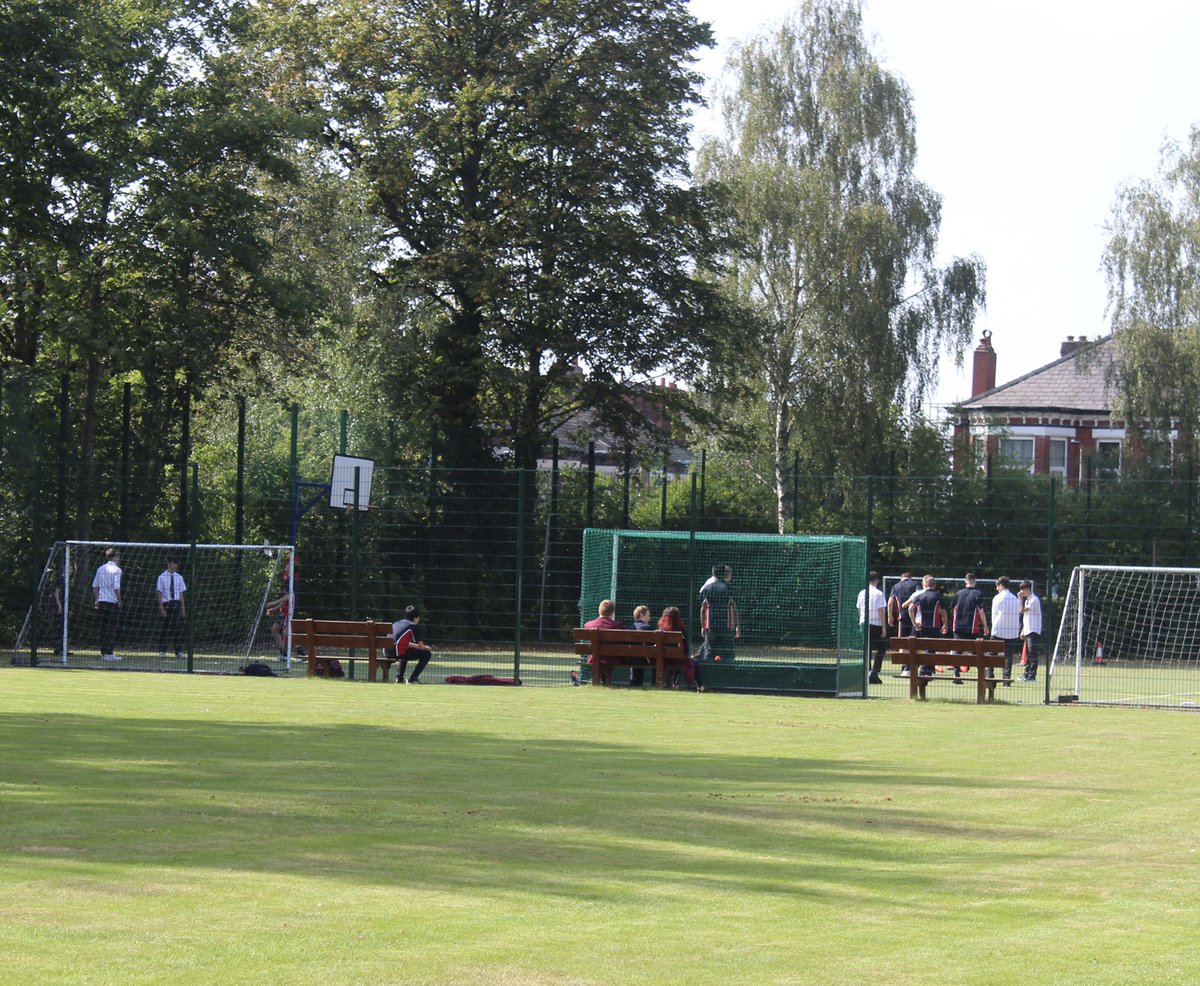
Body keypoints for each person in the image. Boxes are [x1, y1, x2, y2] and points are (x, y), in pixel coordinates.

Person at [950, 572, 990, 685]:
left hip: (958, 627)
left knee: (958, 651)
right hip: (972, 628)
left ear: (965, 582)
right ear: (975, 582)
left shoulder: (959, 593)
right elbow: (981, 612)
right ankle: (982, 673)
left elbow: (954, 610)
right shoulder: (978, 594)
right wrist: (985, 626)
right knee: (977, 651)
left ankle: (956, 674)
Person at [906, 575, 947, 678]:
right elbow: (943, 612)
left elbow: (910, 608)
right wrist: (945, 624)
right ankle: (927, 670)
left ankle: (909, 669)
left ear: (924, 584)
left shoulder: (919, 596)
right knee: (931, 648)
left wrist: (914, 623)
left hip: (920, 626)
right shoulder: (938, 596)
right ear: (935, 585)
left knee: (915, 647)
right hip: (933, 626)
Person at [697, 564, 739, 662]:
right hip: (726, 625)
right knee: (728, 653)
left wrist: (703, 626)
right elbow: (734, 608)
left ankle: (708, 673)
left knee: (709, 652)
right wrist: (737, 626)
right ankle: (728, 673)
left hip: (711, 625)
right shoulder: (728, 588)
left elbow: (703, 608)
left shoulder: (706, 588)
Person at [659, 606, 703, 692]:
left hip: (663, 659)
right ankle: (700, 687)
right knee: (695, 663)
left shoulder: (660, 630)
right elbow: (686, 650)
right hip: (678, 659)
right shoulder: (682, 629)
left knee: (679, 661)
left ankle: (674, 684)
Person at [583, 599, 625, 685]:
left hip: (593, 658)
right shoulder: (617, 625)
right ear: (612, 612)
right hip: (612, 659)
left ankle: (598, 680)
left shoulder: (588, 625)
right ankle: (606, 681)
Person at [990, 575, 1023, 685]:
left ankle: (990, 674)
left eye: (997, 586)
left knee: (992, 654)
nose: (996, 588)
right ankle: (1006, 678)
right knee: (1008, 656)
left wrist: (993, 627)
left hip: (999, 630)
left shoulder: (997, 598)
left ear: (1000, 585)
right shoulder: (1015, 599)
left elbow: (994, 616)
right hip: (1012, 631)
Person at [857, 571, 888, 685]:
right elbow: (881, 611)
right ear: (877, 580)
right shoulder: (879, 593)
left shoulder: (862, 593)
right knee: (882, 648)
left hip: (864, 623)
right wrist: (884, 627)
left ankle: (868, 672)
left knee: (867, 649)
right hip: (876, 624)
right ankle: (874, 672)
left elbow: (860, 609)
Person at [91, 547, 122, 661]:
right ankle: (109, 653)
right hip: (111, 602)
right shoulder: (117, 570)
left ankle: (104, 652)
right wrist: (119, 601)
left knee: (103, 628)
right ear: (115, 557)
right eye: (118, 556)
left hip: (102, 602)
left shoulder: (100, 568)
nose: (119, 559)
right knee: (111, 628)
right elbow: (116, 587)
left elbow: (95, 586)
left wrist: (97, 599)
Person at [155, 556, 187, 659]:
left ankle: (178, 651)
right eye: (174, 563)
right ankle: (162, 650)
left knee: (178, 629)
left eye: (176, 563)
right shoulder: (161, 577)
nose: (175, 565)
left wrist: (183, 608)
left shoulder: (179, 577)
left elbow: (181, 594)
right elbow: (159, 593)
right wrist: (161, 608)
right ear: (169, 564)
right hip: (167, 604)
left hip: (176, 604)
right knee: (165, 628)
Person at [391, 605, 433, 683]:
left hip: (387, 650)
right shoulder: (413, 626)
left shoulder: (397, 623)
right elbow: (420, 647)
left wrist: (417, 646)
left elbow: (400, 642)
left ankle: (399, 678)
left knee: (405, 649)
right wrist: (425, 648)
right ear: (416, 618)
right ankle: (413, 679)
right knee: (426, 654)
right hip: (397, 651)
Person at [1019, 580, 1043, 682]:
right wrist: (1023, 630)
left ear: (1027, 589)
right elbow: (1026, 617)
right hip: (1028, 630)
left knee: (1033, 654)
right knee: (1028, 654)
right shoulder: (1028, 600)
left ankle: (1032, 675)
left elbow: (1022, 610)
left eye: (1022, 590)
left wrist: (1020, 599)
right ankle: (1026, 674)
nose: (1021, 592)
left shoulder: (1034, 600)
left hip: (1033, 630)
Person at [887, 571, 919, 645]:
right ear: (910, 578)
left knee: (902, 642)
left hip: (902, 616)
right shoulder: (916, 584)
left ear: (901, 578)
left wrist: (890, 616)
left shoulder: (896, 586)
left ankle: (902, 654)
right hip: (915, 616)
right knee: (916, 641)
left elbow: (890, 602)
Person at [629, 604, 653, 687]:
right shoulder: (647, 628)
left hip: (628, 659)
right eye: (648, 616)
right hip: (644, 660)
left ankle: (633, 683)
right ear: (642, 615)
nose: (649, 619)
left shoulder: (630, 628)